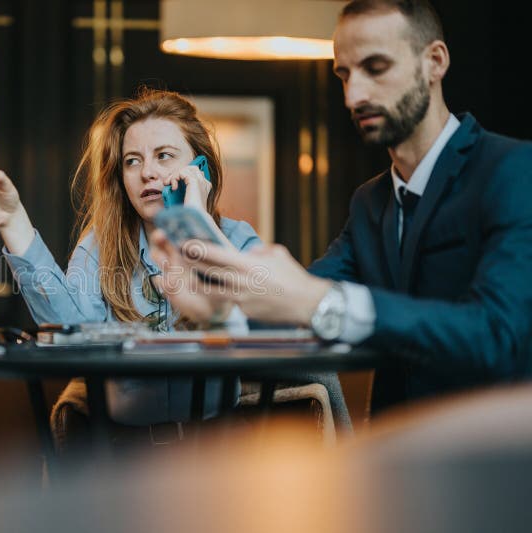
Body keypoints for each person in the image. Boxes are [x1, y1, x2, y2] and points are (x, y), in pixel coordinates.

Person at [151, 0, 532, 415]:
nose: (355, 95)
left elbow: (499, 337)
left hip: (500, 457)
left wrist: (321, 302)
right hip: (393, 455)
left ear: (434, 62)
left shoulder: (512, 170)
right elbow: (291, 306)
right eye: (344, 75)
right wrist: (220, 311)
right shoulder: (370, 202)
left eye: (376, 68)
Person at [0, 89, 349, 429]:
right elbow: (71, 332)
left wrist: (195, 223)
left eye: (164, 156)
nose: (147, 172)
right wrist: (14, 221)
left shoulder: (236, 239)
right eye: (133, 161)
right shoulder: (101, 246)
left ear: (199, 167)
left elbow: (260, 328)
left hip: (222, 442)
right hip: (124, 445)